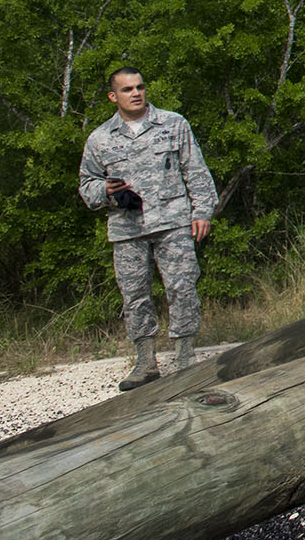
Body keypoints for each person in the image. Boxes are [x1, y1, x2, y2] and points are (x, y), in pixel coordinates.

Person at [78, 67, 218, 389]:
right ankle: (145, 362)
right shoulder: (100, 138)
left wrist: (203, 211)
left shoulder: (173, 124)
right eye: (127, 89)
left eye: (140, 87)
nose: (136, 93)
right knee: (135, 296)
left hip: (173, 222)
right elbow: (87, 186)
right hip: (128, 229)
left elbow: (194, 168)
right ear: (114, 96)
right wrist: (107, 192)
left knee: (182, 287)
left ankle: (185, 358)